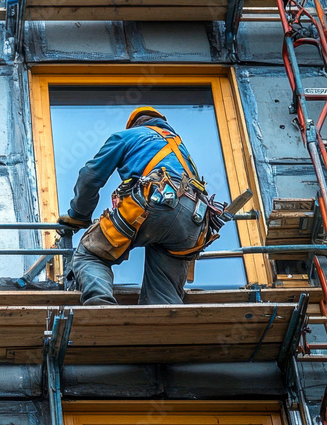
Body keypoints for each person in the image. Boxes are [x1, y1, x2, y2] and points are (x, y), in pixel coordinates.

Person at [58, 106, 212, 305]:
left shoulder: (127, 136)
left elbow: (90, 177)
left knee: (91, 254)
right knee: (163, 294)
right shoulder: (181, 148)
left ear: (135, 125)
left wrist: (79, 214)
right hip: (194, 220)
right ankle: (164, 327)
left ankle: (101, 310)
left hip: (154, 203)